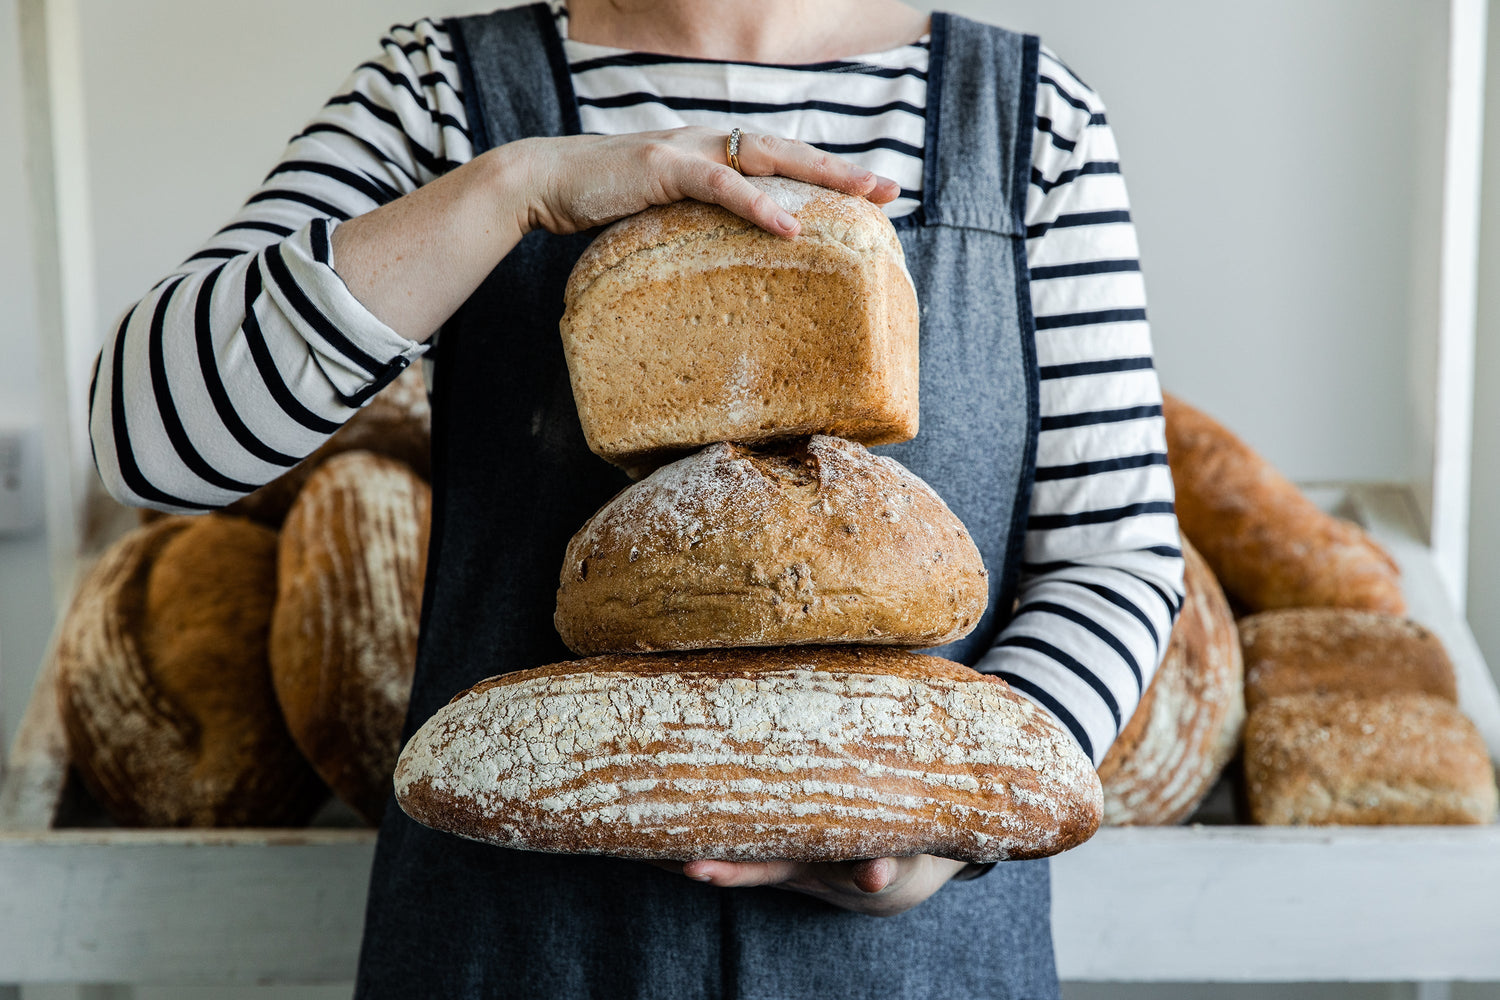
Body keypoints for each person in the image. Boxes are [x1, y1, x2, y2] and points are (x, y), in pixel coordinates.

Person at [88, 1, 1184, 996]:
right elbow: (148, 439)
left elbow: (1115, 555)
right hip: (513, 939)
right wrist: (510, 187)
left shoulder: (1030, 122)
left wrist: (942, 830)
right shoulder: (442, 92)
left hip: (915, 958)